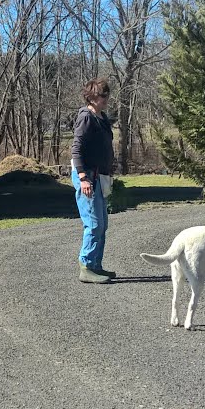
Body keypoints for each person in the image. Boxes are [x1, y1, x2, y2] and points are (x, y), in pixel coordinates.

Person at [71, 77, 115, 283]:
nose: (106, 98)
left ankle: (96, 266)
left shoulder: (102, 117)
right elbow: (76, 149)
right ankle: (86, 266)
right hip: (87, 176)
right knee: (94, 224)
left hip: (100, 177)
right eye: (102, 95)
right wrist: (83, 178)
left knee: (102, 224)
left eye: (107, 95)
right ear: (92, 97)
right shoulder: (86, 118)